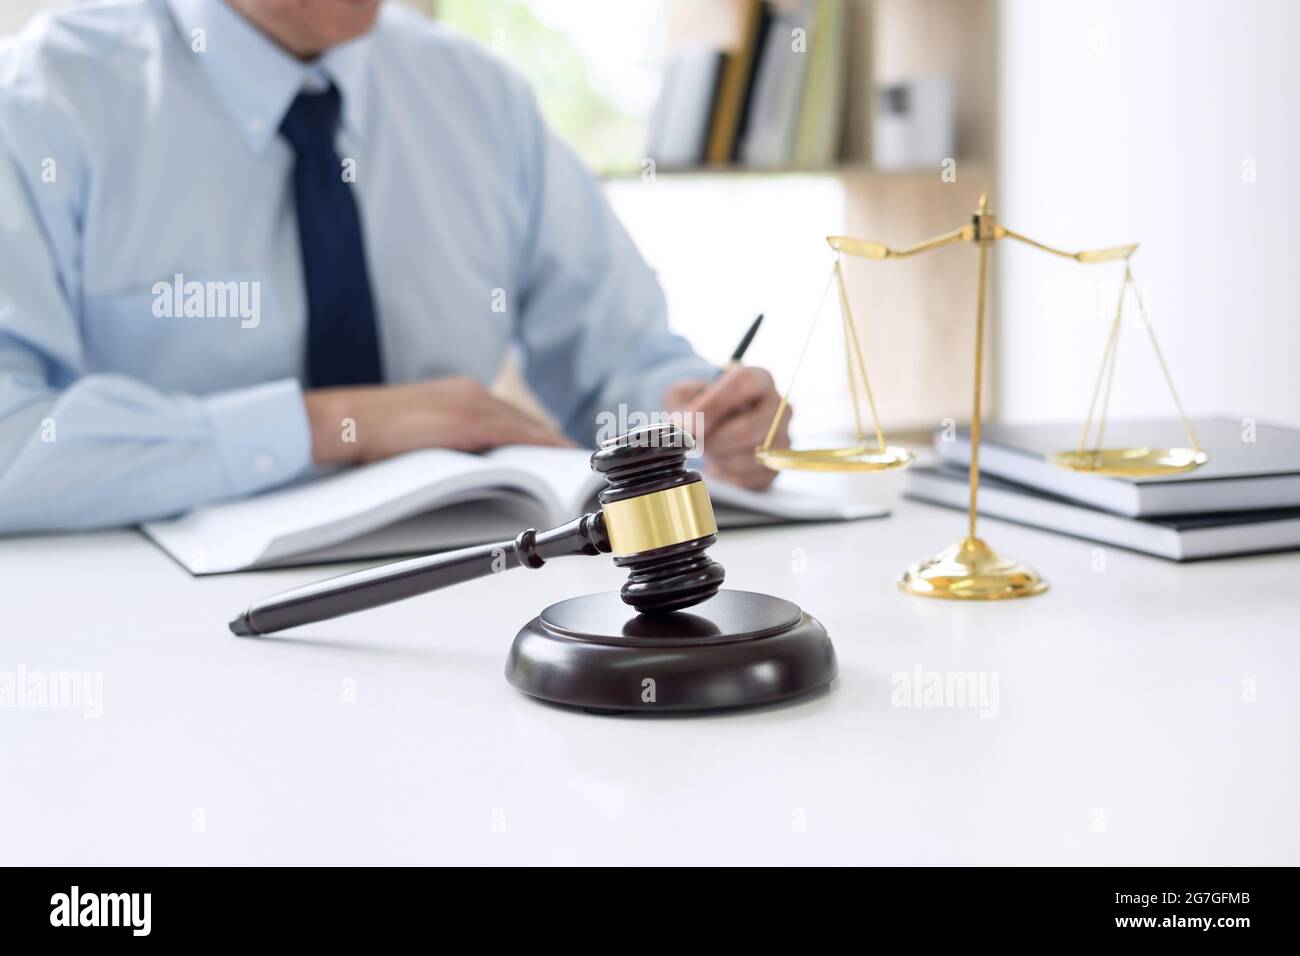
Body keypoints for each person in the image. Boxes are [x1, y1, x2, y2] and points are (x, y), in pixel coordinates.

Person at [0, 0, 790, 533]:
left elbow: (620, 362)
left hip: (470, 599)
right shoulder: (42, 102)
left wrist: (702, 422)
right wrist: (338, 427)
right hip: (151, 640)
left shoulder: (480, 96)